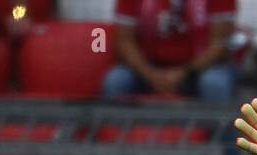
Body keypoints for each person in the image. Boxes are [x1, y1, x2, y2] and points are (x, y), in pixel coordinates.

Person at [102, 0, 237, 102]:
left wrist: (184, 73)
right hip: (146, 70)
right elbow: (124, 41)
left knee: (215, 83)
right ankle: (111, 138)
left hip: (200, 70)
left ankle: (221, 139)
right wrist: (150, 74)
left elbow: (220, 44)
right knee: (116, 80)